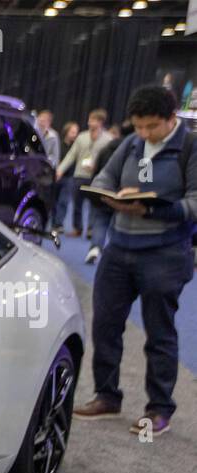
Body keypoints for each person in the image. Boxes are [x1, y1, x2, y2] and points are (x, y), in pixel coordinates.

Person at [73, 86, 196, 437]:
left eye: (152, 127)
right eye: (139, 126)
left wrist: (156, 206)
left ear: (172, 119)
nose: (144, 134)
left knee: (159, 333)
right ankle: (107, 396)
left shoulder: (189, 147)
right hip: (119, 250)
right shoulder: (130, 144)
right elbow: (103, 178)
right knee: (106, 325)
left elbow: (195, 202)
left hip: (166, 254)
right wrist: (109, 199)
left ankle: (159, 409)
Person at [58, 109, 113, 238]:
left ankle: (90, 230)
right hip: (79, 176)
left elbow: (110, 160)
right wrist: (60, 169)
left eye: (92, 120)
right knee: (77, 204)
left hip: (97, 178)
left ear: (100, 122)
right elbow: (71, 155)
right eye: (89, 119)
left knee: (94, 206)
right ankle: (77, 228)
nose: (89, 122)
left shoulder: (108, 139)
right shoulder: (81, 137)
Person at [84, 121, 132, 265]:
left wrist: (96, 190)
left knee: (101, 221)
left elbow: (97, 170)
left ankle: (95, 248)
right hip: (125, 196)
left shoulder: (106, 148)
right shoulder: (135, 150)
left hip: (104, 192)